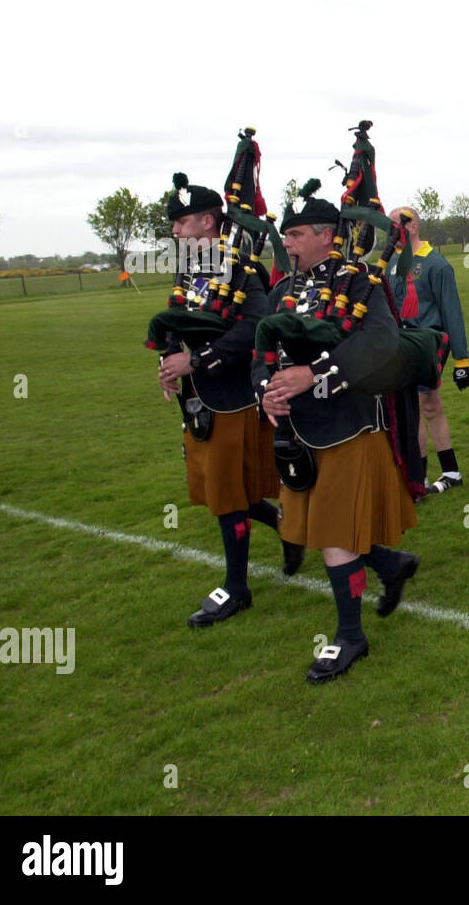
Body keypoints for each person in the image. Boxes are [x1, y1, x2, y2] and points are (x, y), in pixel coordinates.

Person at [257, 186, 419, 682]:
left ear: (327, 236)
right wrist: (265, 391)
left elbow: (381, 343)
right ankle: (390, 565)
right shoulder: (282, 291)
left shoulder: (359, 283)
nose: (288, 241)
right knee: (324, 526)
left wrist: (315, 376)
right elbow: (262, 353)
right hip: (298, 433)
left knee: (331, 534)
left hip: (350, 425)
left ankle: (350, 636)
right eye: (285, 233)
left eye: (298, 233)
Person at [156, 172, 301, 629]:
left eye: (182, 223)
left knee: (227, 494)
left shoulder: (240, 267)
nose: (176, 231)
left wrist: (196, 361)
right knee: (222, 489)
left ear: (207, 221)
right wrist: (167, 359)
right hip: (200, 399)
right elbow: (176, 319)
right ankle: (284, 525)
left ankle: (237, 589)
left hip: (233, 395)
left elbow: (254, 328)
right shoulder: (188, 266)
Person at [389, 206, 469, 496]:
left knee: (419, 407)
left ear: (411, 226)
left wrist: (462, 360)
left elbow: (452, 312)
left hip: (427, 343)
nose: (389, 231)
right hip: (399, 343)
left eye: (394, 225)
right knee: (424, 408)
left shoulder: (437, 265)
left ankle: (425, 478)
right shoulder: (392, 262)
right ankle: (438, 474)